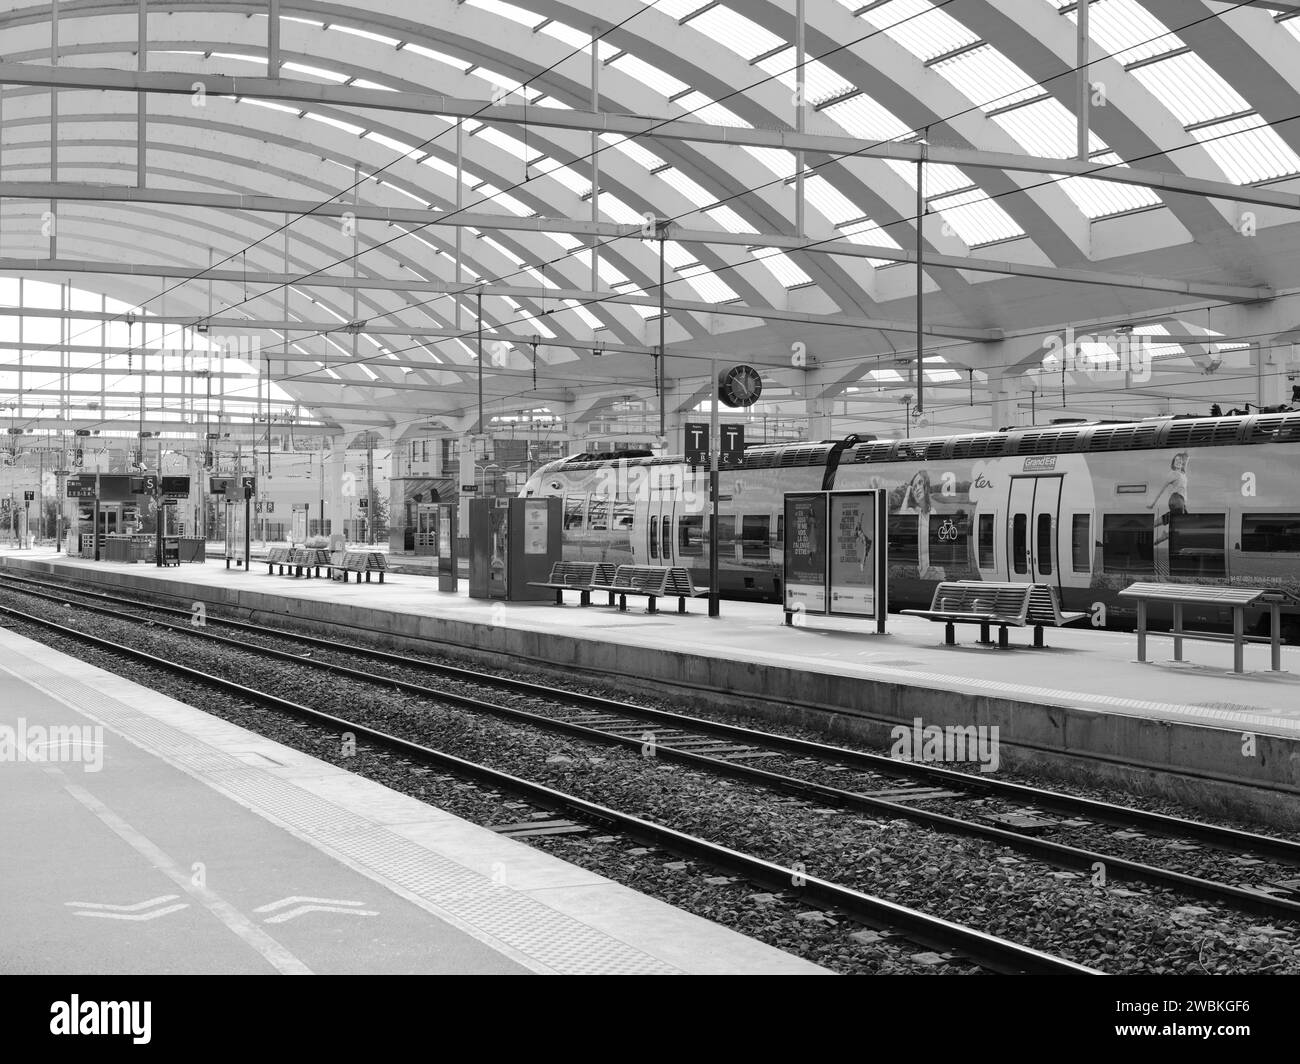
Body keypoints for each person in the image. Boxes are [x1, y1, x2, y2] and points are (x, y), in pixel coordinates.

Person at [1149, 452, 1189, 548]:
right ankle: (1165, 534)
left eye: (1180, 460)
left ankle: (1155, 529)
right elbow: (1162, 489)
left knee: (1178, 519)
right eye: (1176, 460)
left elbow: (1185, 463)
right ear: (1173, 463)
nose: (1178, 462)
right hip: (1176, 499)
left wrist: (1187, 456)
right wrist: (1153, 503)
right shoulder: (1172, 474)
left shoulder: (1182, 473)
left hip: (1181, 501)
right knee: (1182, 521)